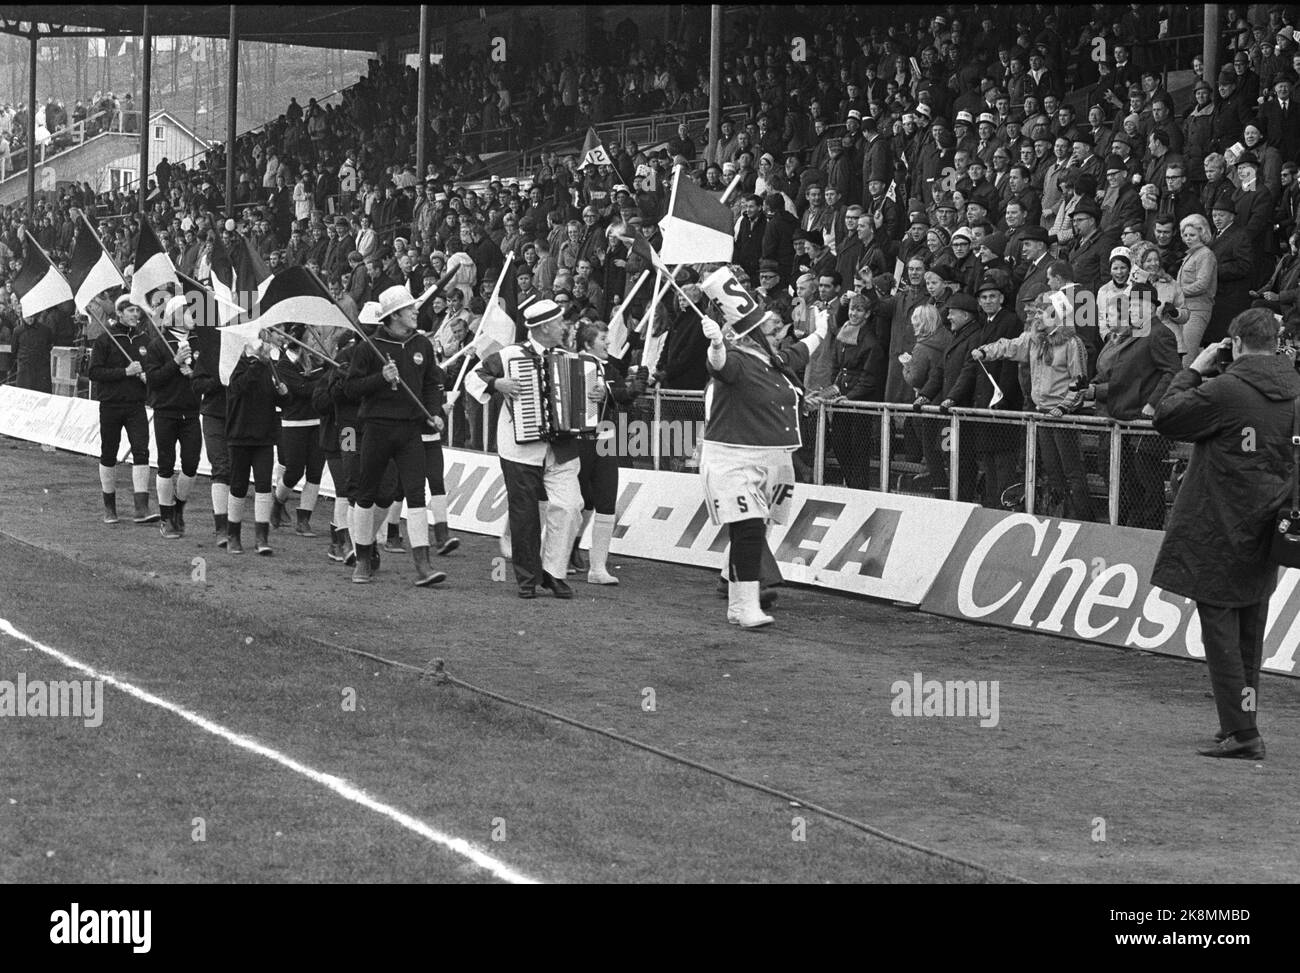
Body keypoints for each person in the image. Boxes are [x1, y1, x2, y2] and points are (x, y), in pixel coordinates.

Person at [1151, 309, 1300, 759]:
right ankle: (1241, 722)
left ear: (1235, 343)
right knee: (1249, 633)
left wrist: (1192, 370)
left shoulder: (1227, 388)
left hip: (1219, 524)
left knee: (1220, 631)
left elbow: (1167, 417)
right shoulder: (1295, 391)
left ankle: (1243, 732)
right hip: (1269, 523)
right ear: (1276, 342)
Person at [699, 302, 829, 628]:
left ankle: (740, 604)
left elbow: (800, 353)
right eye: (772, 332)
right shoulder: (739, 360)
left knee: (753, 530)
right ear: (753, 336)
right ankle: (744, 605)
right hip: (733, 457)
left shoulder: (773, 361)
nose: (779, 337)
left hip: (765, 457)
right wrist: (716, 345)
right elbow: (720, 366)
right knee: (749, 529)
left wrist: (822, 331)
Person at [466, 299, 584, 599]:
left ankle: (554, 572)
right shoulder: (508, 355)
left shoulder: (569, 358)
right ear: (544, 327)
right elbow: (473, 378)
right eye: (560, 323)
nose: (564, 328)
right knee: (524, 513)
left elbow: (590, 399)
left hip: (561, 448)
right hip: (519, 449)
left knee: (570, 506)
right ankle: (528, 577)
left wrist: (597, 393)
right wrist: (497, 384)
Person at [345, 286, 447, 587]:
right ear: (393, 316)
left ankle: (423, 565)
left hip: (411, 430)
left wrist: (435, 411)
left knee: (416, 494)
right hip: (376, 428)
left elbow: (431, 383)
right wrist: (381, 378)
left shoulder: (422, 345)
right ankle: (363, 558)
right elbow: (351, 388)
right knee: (367, 493)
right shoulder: (369, 347)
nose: (416, 312)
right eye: (409, 309)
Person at [1083, 281, 1180, 528]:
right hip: (1127, 416)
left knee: (1148, 483)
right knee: (1131, 482)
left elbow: (1173, 372)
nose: (1135, 309)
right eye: (1132, 304)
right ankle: (1134, 529)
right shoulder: (1137, 333)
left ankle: (1150, 531)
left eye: (1141, 304)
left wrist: (1152, 403)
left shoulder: (1160, 333)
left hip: (1143, 421)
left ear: (1153, 307)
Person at [87, 294, 156, 525]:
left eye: (137, 310)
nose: (136, 314)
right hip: (111, 405)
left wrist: (149, 377)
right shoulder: (106, 339)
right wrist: (124, 372)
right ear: (119, 313)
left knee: (141, 451)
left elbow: (151, 369)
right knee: (109, 453)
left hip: (136, 405)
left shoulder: (144, 339)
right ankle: (110, 508)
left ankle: (141, 508)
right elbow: (94, 372)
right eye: (131, 311)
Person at [575, 321, 633, 585]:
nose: (608, 343)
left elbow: (623, 394)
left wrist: (610, 391)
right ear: (587, 344)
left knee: (607, 502)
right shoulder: (573, 365)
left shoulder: (610, 368)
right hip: (578, 441)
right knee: (577, 503)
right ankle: (561, 556)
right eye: (602, 339)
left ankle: (598, 567)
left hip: (606, 437)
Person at [224, 331, 291, 555]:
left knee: (263, 486)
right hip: (239, 435)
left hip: (264, 437)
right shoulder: (238, 366)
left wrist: (283, 394)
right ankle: (233, 534)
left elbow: (276, 399)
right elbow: (238, 388)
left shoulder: (269, 368)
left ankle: (262, 537)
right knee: (238, 487)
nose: (263, 347)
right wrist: (258, 365)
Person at [143, 294, 201, 539]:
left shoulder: (200, 344)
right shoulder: (159, 344)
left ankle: (179, 506)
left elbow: (208, 376)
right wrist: (174, 363)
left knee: (191, 464)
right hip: (166, 411)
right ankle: (166, 517)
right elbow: (153, 380)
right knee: (165, 465)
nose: (193, 316)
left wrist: (194, 374)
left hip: (190, 412)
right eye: (188, 311)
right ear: (175, 315)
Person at [270, 324, 327, 537]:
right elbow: (302, 390)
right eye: (314, 337)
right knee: (293, 471)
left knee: (315, 471)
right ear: (302, 339)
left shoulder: (321, 362)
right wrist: (322, 380)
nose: (318, 341)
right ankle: (278, 501)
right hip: (294, 423)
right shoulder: (284, 364)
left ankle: (304, 519)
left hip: (317, 421)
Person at [188, 306, 231, 546]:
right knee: (221, 467)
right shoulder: (210, 352)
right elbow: (198, 385)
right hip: (214, 414)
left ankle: (233, 526)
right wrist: (217, 382)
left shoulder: (247, 352)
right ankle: (221, 527)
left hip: (240, 416)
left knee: (235, 470)